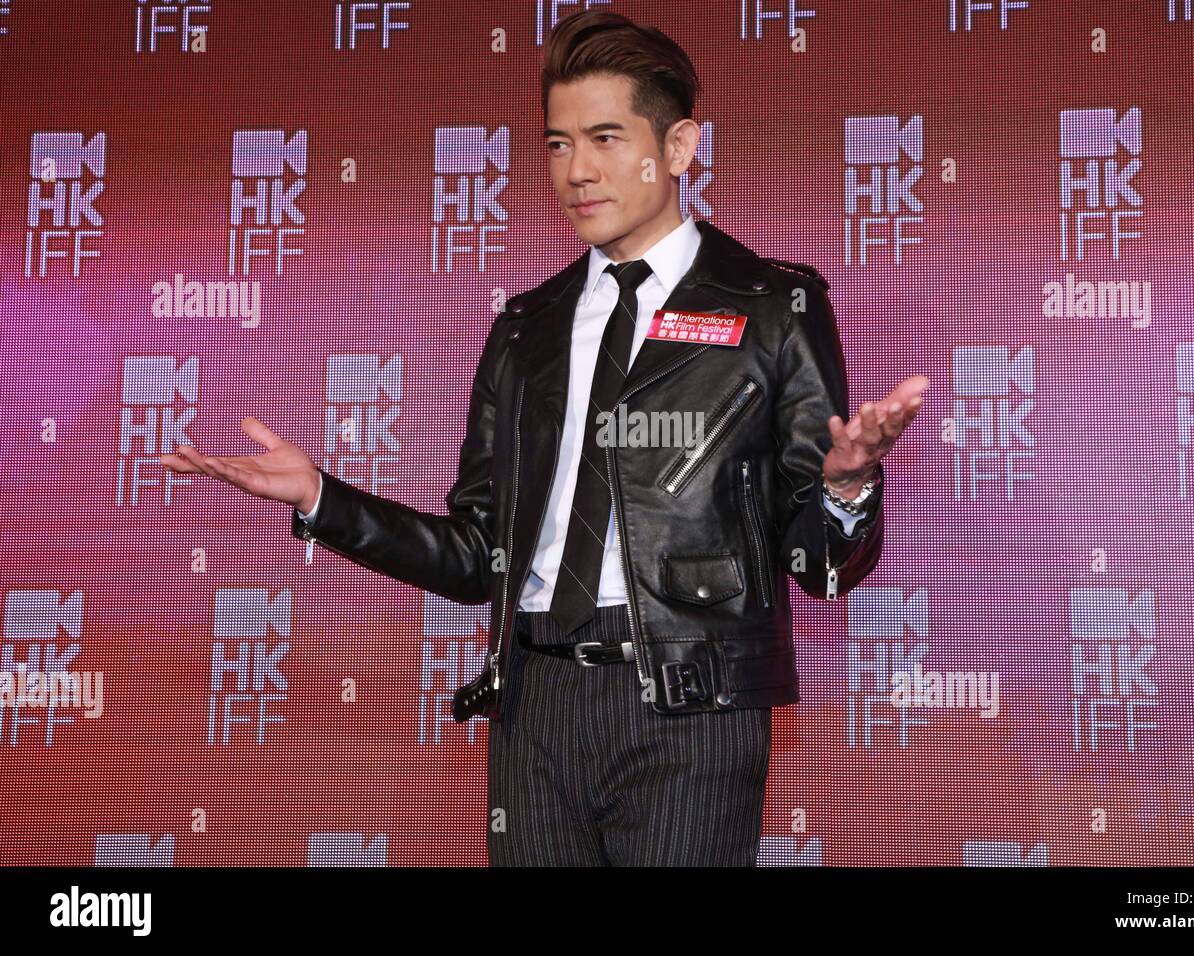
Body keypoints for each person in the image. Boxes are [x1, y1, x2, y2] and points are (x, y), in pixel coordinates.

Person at [161, 9, 928, 866]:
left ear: (677, 148)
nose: (576, 171)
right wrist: (320, 499)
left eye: (604, 137)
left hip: (692, 704)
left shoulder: (769, 306)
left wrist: (846, 486)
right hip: (534, 700)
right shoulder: (526, 328)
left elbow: (816, 568)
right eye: (558, 144)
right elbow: (473, 555)